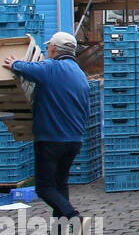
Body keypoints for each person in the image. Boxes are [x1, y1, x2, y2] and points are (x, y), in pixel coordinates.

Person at [3, 32, 90, 221]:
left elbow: (28, 68)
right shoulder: (79, 73)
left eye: (49, 47)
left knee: (44, 187)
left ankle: (73, 216)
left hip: (51, 138)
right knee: (60, 184)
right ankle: (61, 231)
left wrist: (14, 64)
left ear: (53, 49)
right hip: (74, 139)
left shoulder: (51, 67)